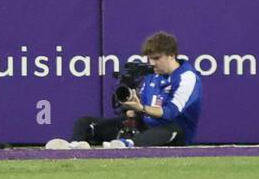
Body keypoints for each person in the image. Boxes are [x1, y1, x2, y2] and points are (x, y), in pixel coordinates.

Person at [55, 31, 202, 149]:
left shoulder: (187, 77)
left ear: (172, 55)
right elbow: (142, 106)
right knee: (84, 121)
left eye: (157, 58)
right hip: (145, 126)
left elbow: (171, 112)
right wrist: (132, 108)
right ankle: (73, 147)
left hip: (174, 132)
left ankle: (128, 145)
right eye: (150, 59)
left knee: (170, 129)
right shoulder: (153, 74)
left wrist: (142, 108)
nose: (152, 63)